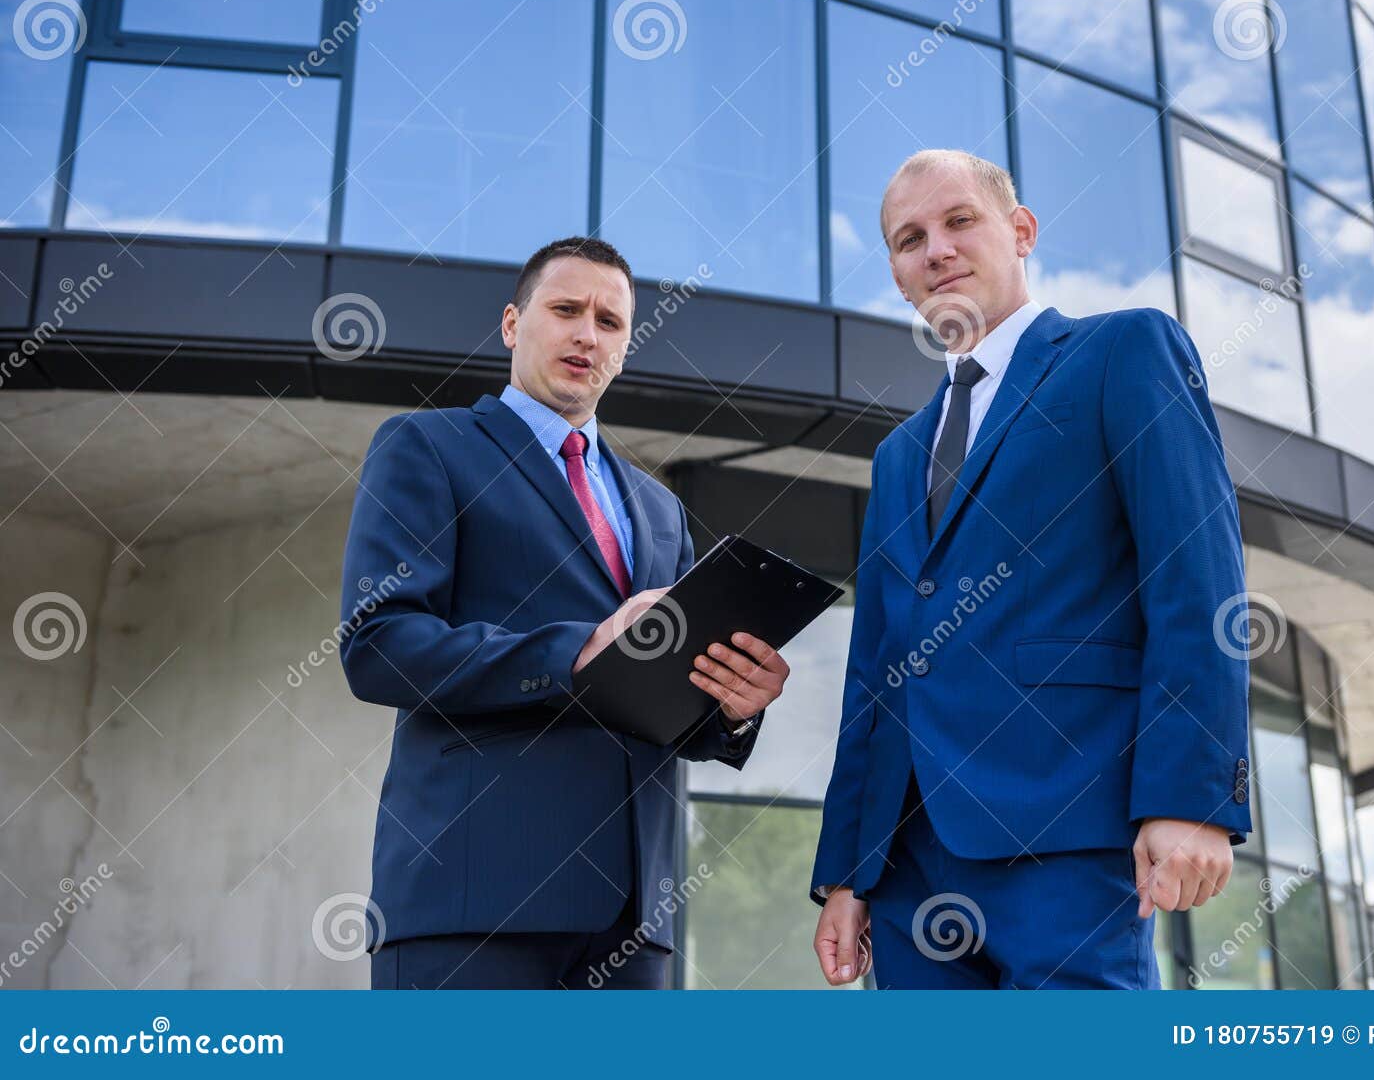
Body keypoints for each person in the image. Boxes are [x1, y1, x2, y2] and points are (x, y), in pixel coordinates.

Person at [810, 150, 1252, 989]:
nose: (935, 249)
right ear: (899, 277)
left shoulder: (1123, 352)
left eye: (958, 221)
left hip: (1070, 833)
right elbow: (876, 670)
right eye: (909, 240)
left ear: (1021, 231)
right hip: (911, 866)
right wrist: (846, 872)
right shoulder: (898, 455)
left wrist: (1192, 795)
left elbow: (1197, 579)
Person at [340, 236, 790, 989]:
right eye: (567, 309)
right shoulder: (429, 446)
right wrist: (579, 649)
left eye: (610, 322)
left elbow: (665, 699)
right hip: (472, 895)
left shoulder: (662, 510)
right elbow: (380, 644)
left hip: (634, 920)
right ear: (514, 324)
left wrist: (732, 707)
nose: (588, 333)